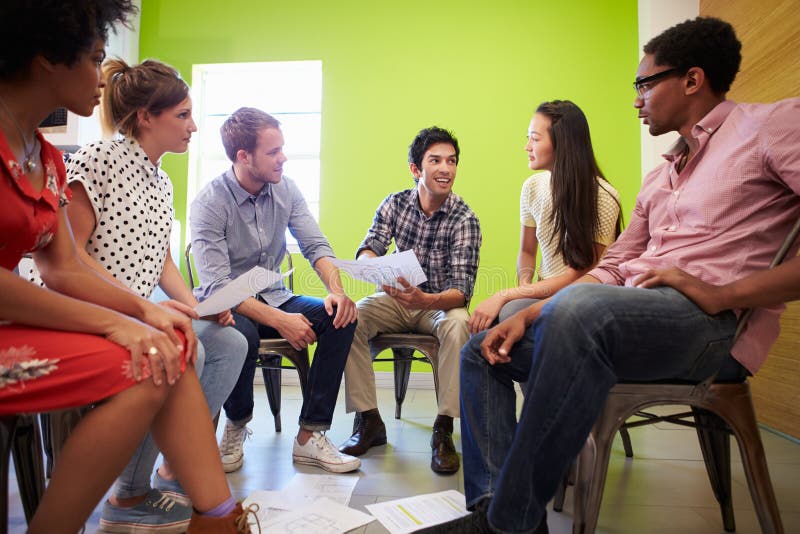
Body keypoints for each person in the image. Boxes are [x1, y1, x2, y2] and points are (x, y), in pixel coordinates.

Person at [422, 16, 800, 534]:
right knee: (483, 346)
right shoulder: (661, 175)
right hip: (629, 318)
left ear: (692, 80)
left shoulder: (771, 126)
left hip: (712, 329)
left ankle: (505, 525)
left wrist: (721, 293)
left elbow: (599, 282)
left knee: (580, 309)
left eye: (645, 83)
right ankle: (497, 509)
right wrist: (530, 313)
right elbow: (615, 266)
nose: (636, 99)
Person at [0, 1, 256, 532]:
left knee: (206, 339)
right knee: (169, 350)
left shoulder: (53, 158)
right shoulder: (92, 159)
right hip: (53, 313)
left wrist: (178, 307)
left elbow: (103, 261)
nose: (100, 78)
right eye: (94, 59)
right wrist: (132, 318)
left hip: (104, 304)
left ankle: (206, 505)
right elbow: (62, 274)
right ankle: (130, 494)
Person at [59, 58, 247, 531]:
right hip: (91, 313)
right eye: (183, 115)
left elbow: (160, 259)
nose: (194, 126)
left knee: (230, 342)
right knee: (188, 349)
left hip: (144, 311)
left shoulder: (161, 180)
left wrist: (196, 304)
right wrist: (145, 310)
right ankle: (128, 496)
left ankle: (177, 465)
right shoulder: (97, 160)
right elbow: (72, 258)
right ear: (147, 117)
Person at [190, 106, 361, 474]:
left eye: (282, 148)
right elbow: (218, 286)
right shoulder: (210, 203)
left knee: (343, 317)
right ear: (243, 156)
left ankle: (309, 435)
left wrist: (336, 290)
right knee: (242, 334)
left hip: (276, 295)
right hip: (227, 307)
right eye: (273, 152)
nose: (283, 158)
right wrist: (281, 321)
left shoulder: (286, 188)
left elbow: (316, 246)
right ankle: (236, 424)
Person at [339, 126, 482, 474]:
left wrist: (425, 300)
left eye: (451, 161)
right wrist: (374, 269)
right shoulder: (395, 203)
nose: (445, 168)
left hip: (438, 304)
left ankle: (444, 428)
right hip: (398, 299)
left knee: (460, 322)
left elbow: (461, 291)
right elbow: (368, 247)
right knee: (349, 317)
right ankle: (369, 420)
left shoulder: (465, 219)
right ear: (416, 169)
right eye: (435, 160)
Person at [469, 100, 621, 333]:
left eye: (535, 139)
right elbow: (527, 251)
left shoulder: (604, 197)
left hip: (583, 297)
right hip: (543, 292)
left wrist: (507, 295)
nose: (527, 146)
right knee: (489, 322)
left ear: (563, 144)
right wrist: (523, 288)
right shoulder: (532, 187)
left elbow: (577, 276)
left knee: (508, 313)